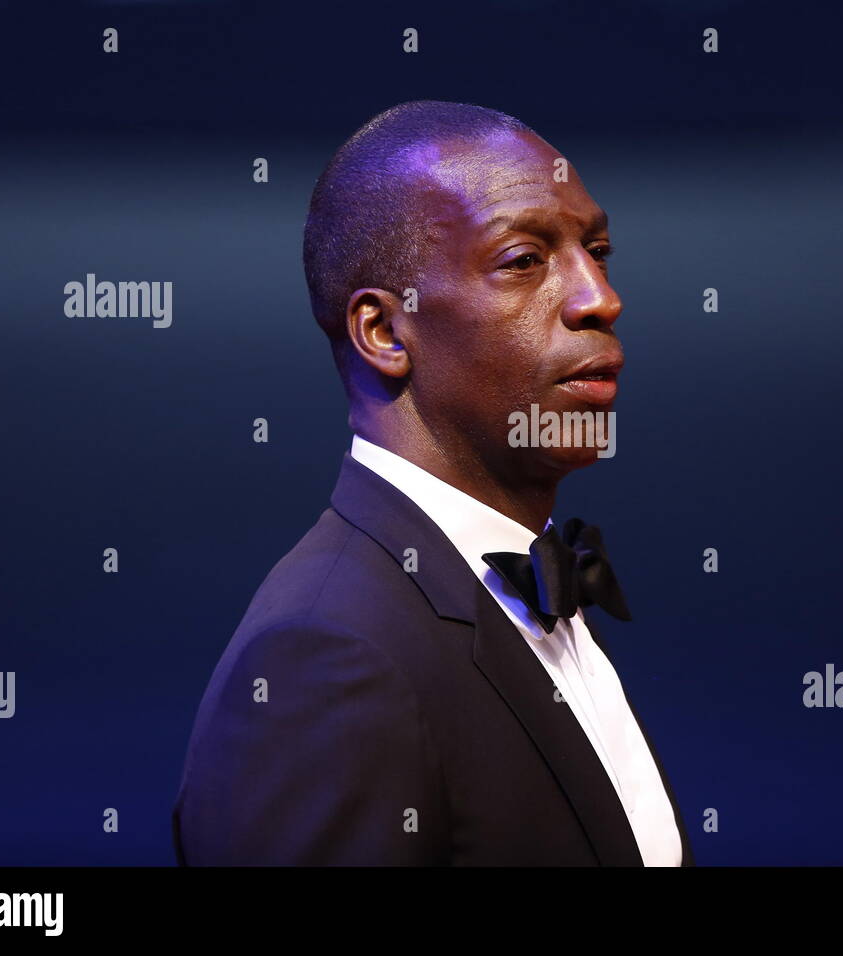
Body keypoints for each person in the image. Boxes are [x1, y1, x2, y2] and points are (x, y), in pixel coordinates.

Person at [171, 100, 694, 866]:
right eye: (525, 260)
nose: (599, 299)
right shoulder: (326, 657)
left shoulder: (526, 594)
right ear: (384, 332)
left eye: (598, 250)